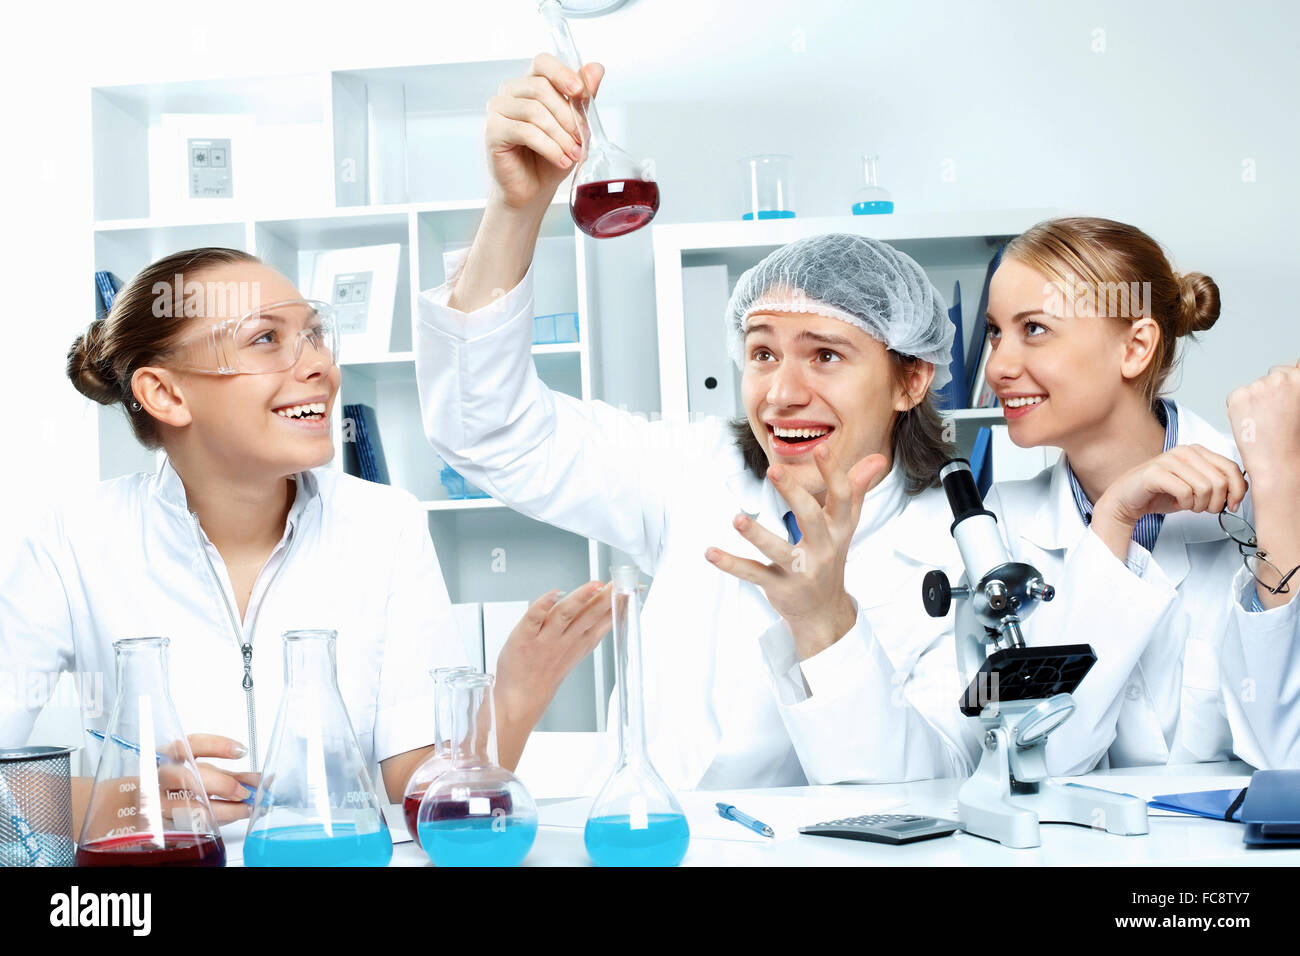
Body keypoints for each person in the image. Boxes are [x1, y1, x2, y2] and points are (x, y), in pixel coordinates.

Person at [412, 53, 983, 790]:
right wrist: (516, 208)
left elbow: (927, 792)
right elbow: (488, 433)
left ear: (911, 379)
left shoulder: (960, 555)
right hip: (647, 841)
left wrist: (824, 624)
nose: (782, 392)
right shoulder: (694, 469)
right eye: (763, 352)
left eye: (826, 356)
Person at [0, 246, 612, 835]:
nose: (320, 366)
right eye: (265, 339)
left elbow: (418, 788)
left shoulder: (385, 526)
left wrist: (515, 695)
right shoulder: (71, 541)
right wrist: (123, 801)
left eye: (315, 335)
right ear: (166, 393)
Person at [982, 217, 1300, 773]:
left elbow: (1290, 756)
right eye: (995, 332)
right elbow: (1024, 759)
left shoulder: (1270, 488)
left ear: (1134, 348)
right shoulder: (998, 524)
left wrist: (1277, 489)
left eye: (1033, 329)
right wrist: (1113, 520)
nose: (997, 367)